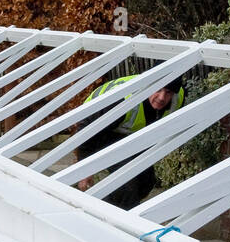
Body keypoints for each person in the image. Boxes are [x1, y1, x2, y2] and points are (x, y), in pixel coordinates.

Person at [74, 75, 185, 208]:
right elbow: (87, 133)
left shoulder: (178, 96)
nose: (162, 98)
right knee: (126, 184)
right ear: (148, 86)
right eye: (158, 90)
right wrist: (84, 171)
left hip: (128, 133)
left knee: (146, 181)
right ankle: (107, 214)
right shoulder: (123, 100)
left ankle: (109, 209)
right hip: (99, 129)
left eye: (168, 93)